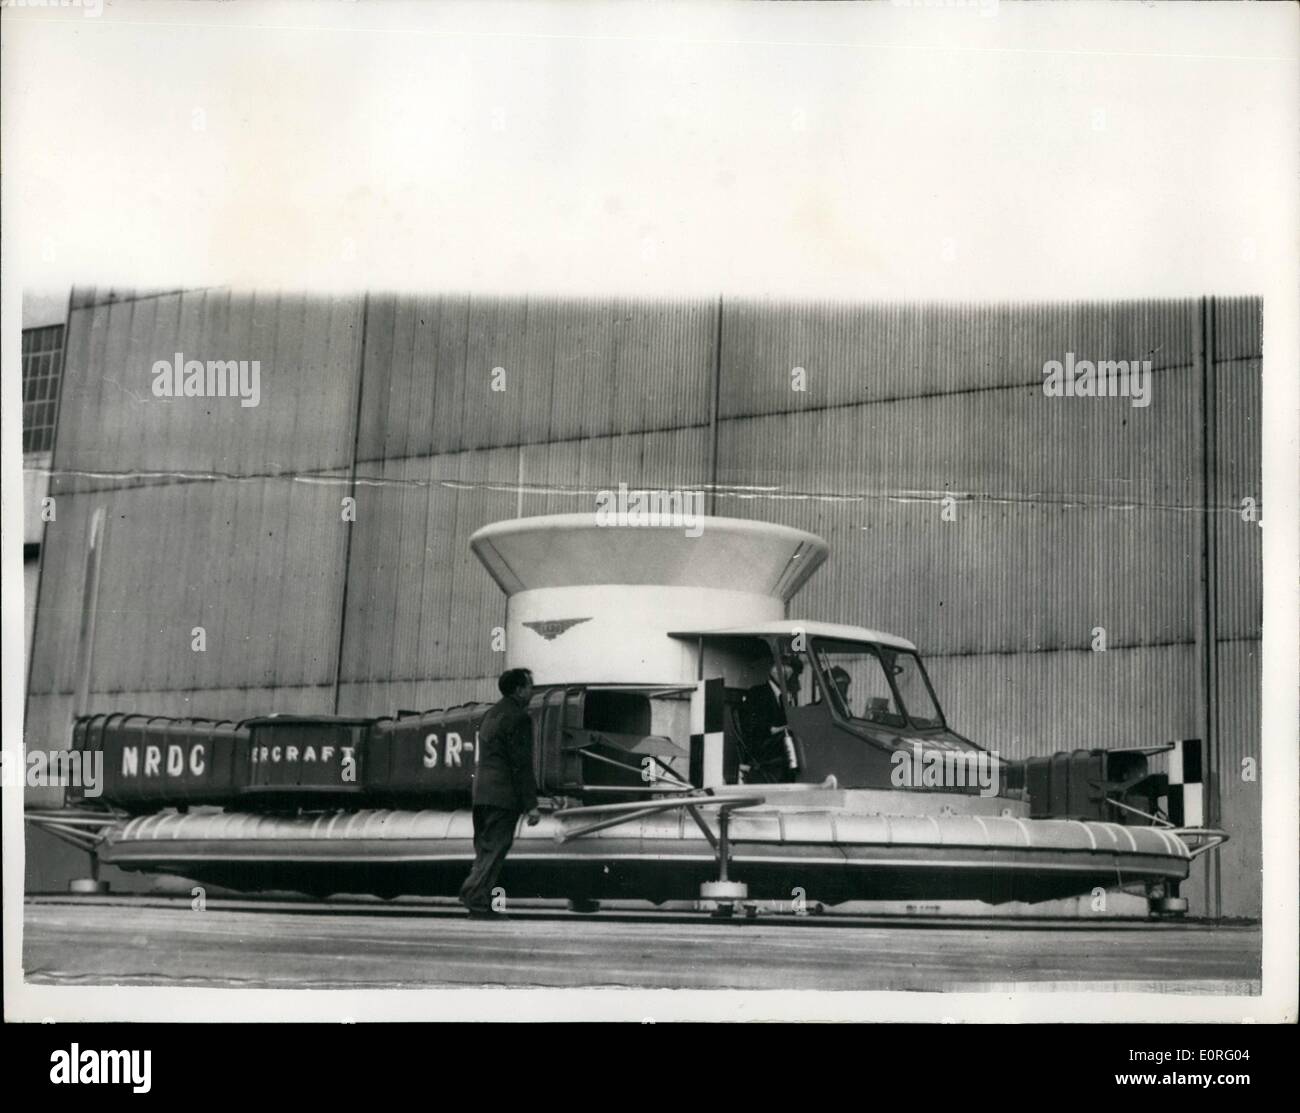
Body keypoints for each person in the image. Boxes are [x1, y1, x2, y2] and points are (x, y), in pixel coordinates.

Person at [458, 667, 541, 920]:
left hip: (482, 792)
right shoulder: (519, 718)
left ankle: (480, 903)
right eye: (530, 686)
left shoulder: (490, 715)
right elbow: (520, 764)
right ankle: (474, 895)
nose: (532, 690)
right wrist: (532, 805)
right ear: (518, 690)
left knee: (485, 849)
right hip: (503, 795)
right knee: (496, 849)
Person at [739, 653, 802, 783]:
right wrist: (781, 728)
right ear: (771, 668)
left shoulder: (785, 699)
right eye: (779, 665)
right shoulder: (757, 693)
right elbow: (753, 729)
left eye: (788, 667)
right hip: (763, 751)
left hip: (777, 749)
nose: (784, 671)